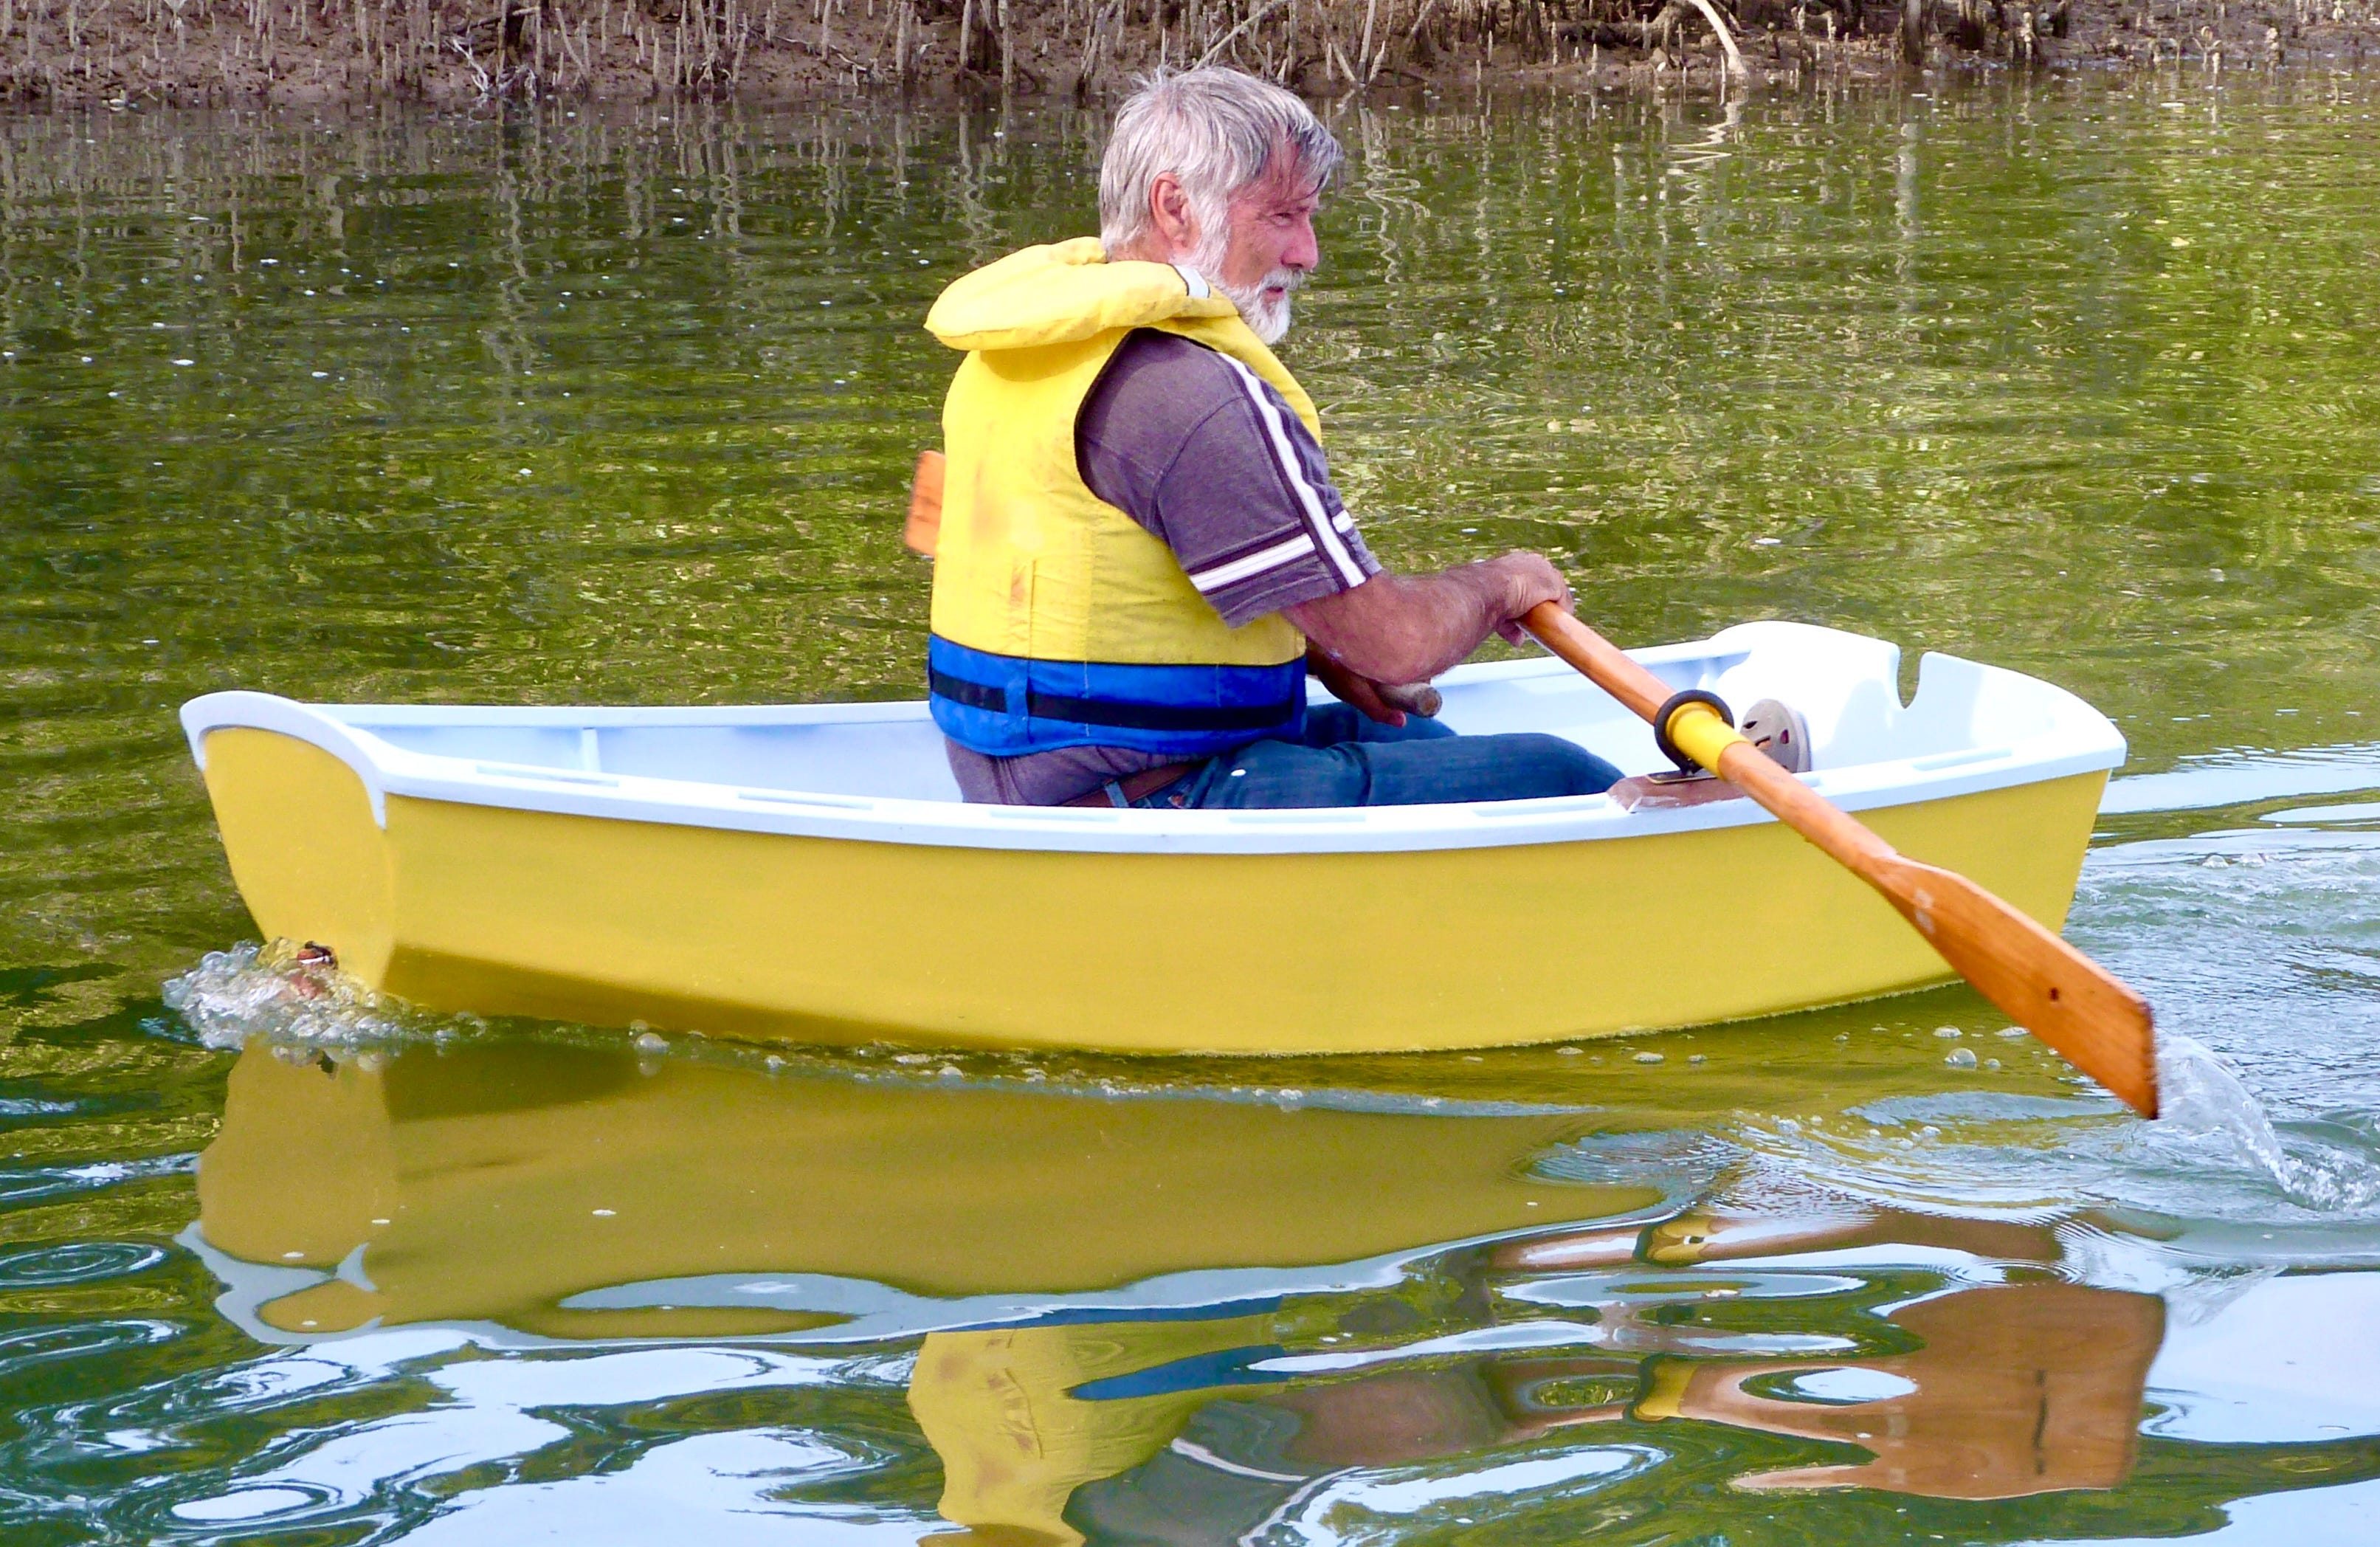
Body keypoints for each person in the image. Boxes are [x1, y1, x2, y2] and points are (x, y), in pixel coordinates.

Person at [922, 66, 1622, 810]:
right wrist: (1502, 584)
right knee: (1563, 775)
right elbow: (1396, 644)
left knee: (1407, 737)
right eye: (1284, 216)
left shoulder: (1017, 350)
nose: (1308, 252)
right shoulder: (1187, 395)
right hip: (1141, 794)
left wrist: (1319, 650)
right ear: (1175, 206)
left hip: (1020, 775)